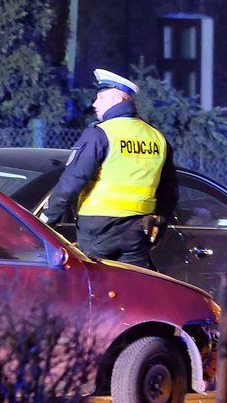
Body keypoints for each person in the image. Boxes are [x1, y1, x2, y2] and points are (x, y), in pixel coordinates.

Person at [40, 68, 178, 270]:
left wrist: (44, 221)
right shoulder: (156, 137)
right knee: (131, 284)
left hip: (99, 229)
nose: (94, 103)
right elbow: (169, 192)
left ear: (120, 98)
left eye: (101, 97)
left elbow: (71, 182)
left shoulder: (101, 133)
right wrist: (160, 227)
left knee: (97, 285)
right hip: (139, 230)